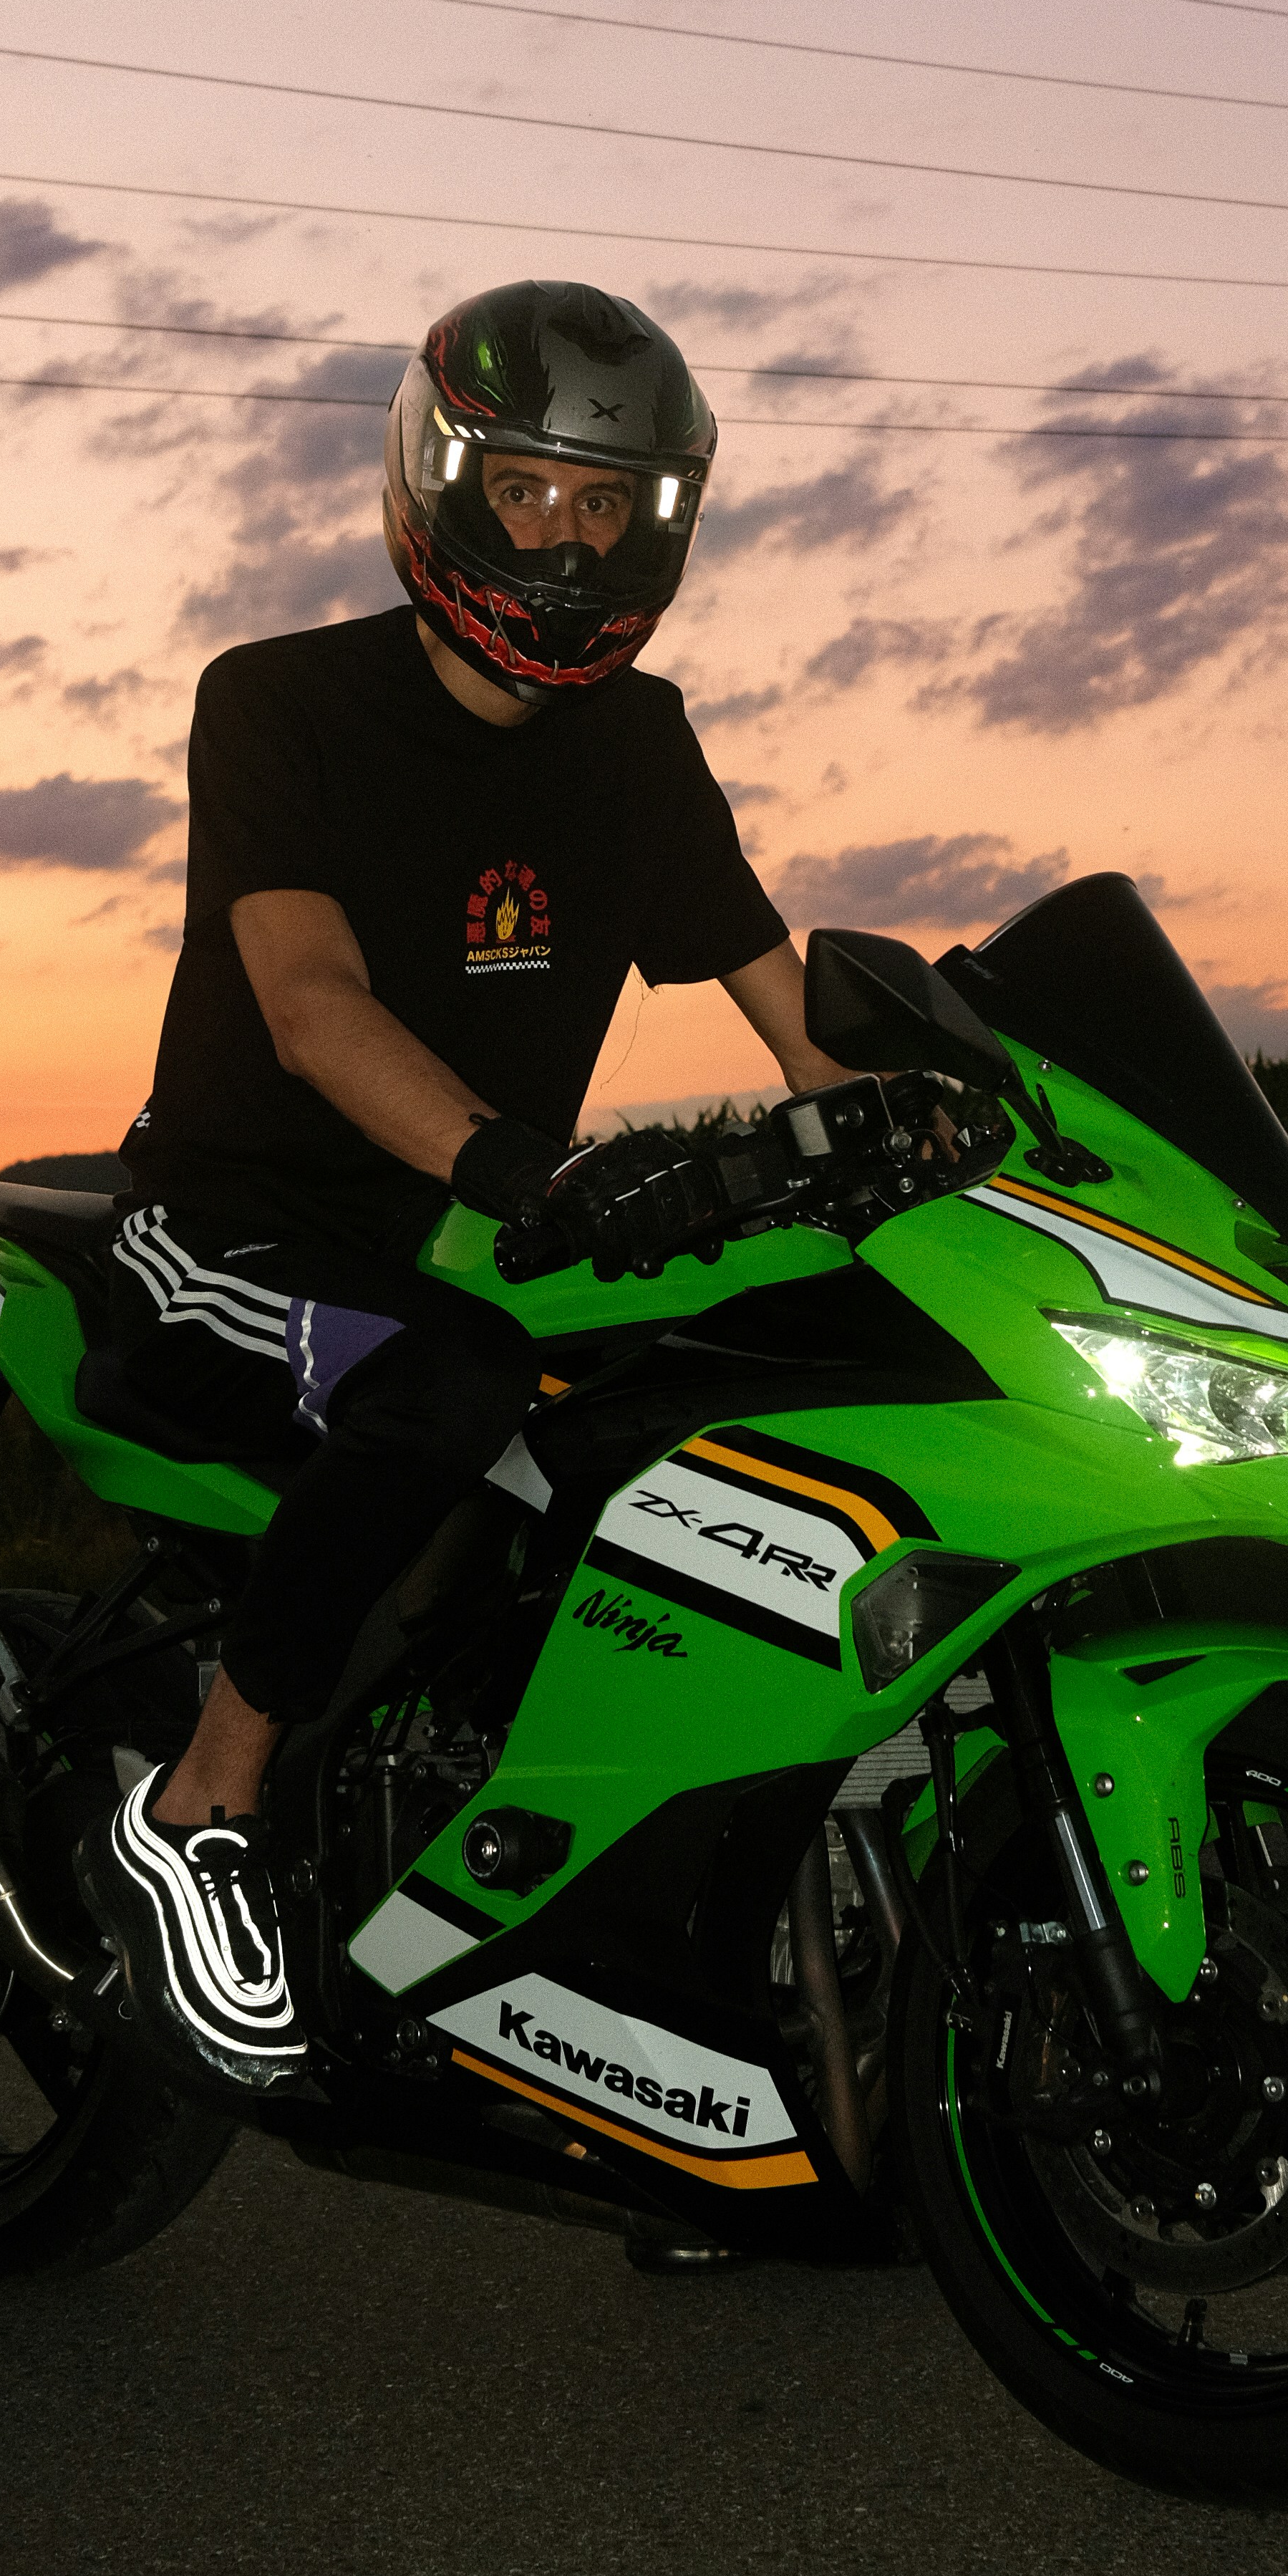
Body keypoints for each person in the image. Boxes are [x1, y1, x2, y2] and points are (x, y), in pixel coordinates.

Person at [80, 276, 849, 2097]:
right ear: (441, 482)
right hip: (237, 1225)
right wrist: (520, 1164)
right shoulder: (280, 703)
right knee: (445, 1387)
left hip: (474, 1229)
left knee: (711, 1439)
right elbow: (307, 1003)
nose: (569, 539)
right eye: (531, 494)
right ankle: (205, 1803)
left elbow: (791, 1013)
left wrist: (944, 1123)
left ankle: (640, 1989)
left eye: (609, 504)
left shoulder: (635, 742)